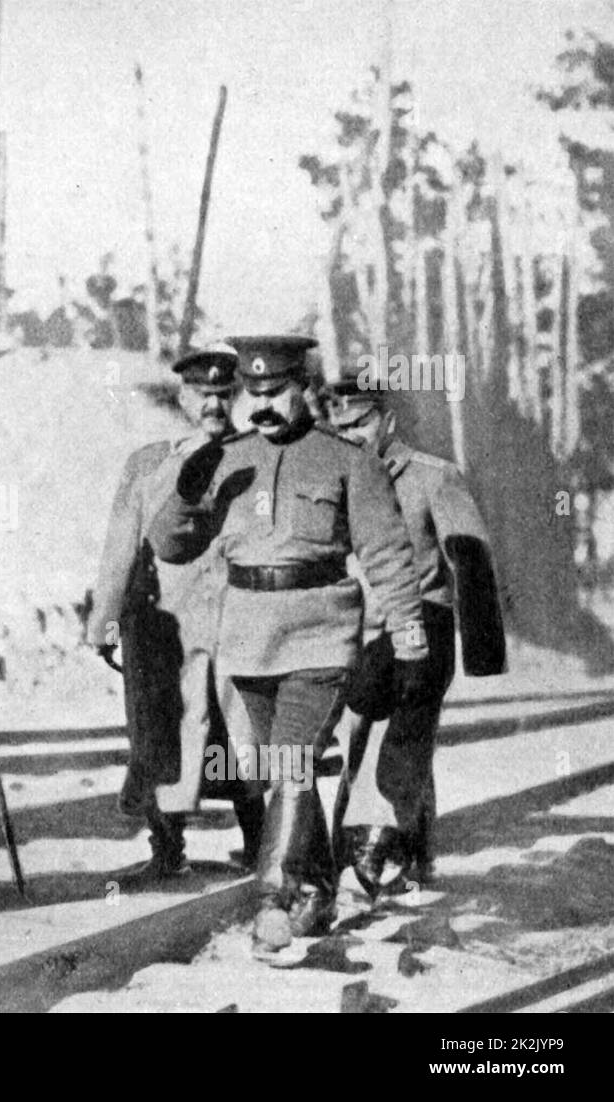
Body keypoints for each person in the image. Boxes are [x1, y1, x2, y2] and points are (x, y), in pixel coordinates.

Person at [146, 335, 433, 956]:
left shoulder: (348, 460)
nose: (263, 405)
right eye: (255, 393)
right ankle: (320, 892)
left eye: (276, 391)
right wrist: (186, 489)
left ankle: (272, 899)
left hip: (320, 636)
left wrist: (410, 641)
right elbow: (172, 544)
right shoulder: (230, 456)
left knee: (295, 764)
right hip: (247, 638)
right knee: (278, 774)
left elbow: (388, 556)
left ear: (305, 389)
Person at [324, 374, 505, 896]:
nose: (351, 436)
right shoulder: (335, 478)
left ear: (389, 421)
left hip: (423, 625)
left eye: (360, 423)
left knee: (400, 736)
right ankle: (406, 854)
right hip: (357, 633)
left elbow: (469, 556)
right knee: (359, 738)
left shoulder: (432, 476)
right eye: (341, 428)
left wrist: (482, 650)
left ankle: (375, 846)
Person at [88, 344, 264, 881]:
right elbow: (121, 549)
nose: (213, 404)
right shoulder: (147, 463)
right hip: (163, 625)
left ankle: (261, 844)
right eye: (202, 395)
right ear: (182, 397)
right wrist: (106, 622)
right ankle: (167, 849)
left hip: (236, 622)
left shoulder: (256, 456)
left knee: (242, 733)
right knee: (160, 734)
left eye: (222, 394)